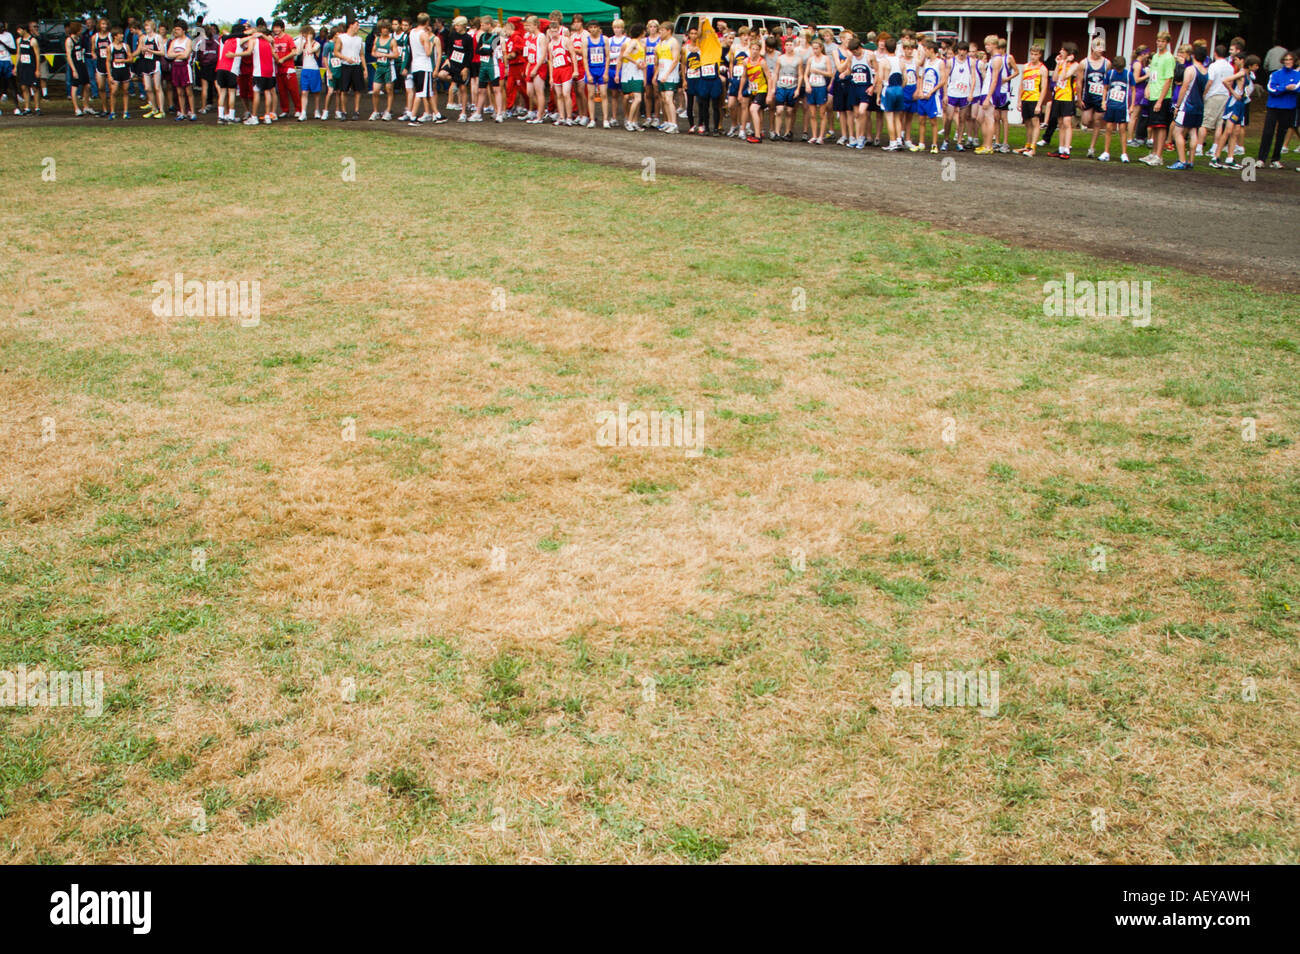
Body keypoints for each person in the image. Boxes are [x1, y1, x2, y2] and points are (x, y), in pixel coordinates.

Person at [1256, 48, 1299, 168]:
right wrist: (1285, 88)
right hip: (1273, 107)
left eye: (1290, 60)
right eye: (1286, 60)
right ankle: (1261, 159)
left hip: (1289, 108)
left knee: (1281, 133)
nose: (1288, 62)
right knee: (1268, 132)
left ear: (1294, 61)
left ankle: (1275, 159)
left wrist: (1281, 88)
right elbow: (1271, 89)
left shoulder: (1298, 75)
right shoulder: (1275, 74)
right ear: (1283, 61)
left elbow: (1297, 88)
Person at [1170, 43, 1207, 169]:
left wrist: (1178, 105)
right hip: (1199, 106)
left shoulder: (1190, 70)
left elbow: (1184, 88)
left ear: (1194, 56)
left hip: (1187, 106)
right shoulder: (1206, 72)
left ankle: (1181, 160)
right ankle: (1191, 160)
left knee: (1177, 132)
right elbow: (1205, 90)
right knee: (1193, 132)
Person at [1141, 31, 1176, 166]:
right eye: (1158, 41)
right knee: (1154, 125)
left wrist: (1161, 99)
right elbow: (1152, 75)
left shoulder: (1168, 58)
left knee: (1161, 126)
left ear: (1167, 43)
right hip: (1153, 94)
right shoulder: (1155, 57)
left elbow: (1168, 79)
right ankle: (1154, 153)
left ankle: (1159, 155)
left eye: (1162, 41)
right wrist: (1148, 87)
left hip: (1163, 96)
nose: (1159, 43)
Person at [1079, 40, 1109, 157]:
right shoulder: (1084, 63)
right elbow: (1079, 82)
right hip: (1088, 96)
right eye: (1099, 47)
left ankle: (1092, 148)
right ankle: (1085, 124)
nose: (1101, 50)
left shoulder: (1107, 63)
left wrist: (1105, 99)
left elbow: (1108, 82)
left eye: (1103, 47)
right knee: (1085, 121)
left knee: (1097, 122)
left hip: (1100, 97)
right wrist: (1079, 97)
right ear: (1093, 48)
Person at [1097, 54, 1129, 162]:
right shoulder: (1110, 74)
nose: (1119, 71)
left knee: (1122, 129)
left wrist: (1132, 105)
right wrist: (1103, 101)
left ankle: (1124, 153)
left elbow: (1132, 89)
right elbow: (1105, 88)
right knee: (1109, 127)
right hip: (1111, 104)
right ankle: (1106, 152)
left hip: (1122, 106)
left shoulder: (1128, 75)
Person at [1016, 45, 1047, 157]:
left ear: (1040, 55)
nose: (1033, 56)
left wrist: (1039, 104)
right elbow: (1021, 84)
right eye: (1032, 54)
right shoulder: (1025, 67)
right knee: (1027, 123)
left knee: (1035, 123)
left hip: (1035, 98)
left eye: (1036, 54)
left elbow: (1043, 88)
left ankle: (1033, 147)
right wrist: (1019, 100)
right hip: (1025, 98)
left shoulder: (1042, 69)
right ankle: (1027, 145)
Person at [334, 20, 366, 120]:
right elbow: (336, 52)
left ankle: (356, 111)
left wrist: (365, 69)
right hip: (345, 66)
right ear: (351, 26)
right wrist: (346, 58)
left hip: (357, 66)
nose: (358, 27)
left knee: (358, 89)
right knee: (344, 90)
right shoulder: (342, 38)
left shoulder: (359, 39)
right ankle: (344, 111)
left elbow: (361, 54)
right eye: (356, 25)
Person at [271, 20, 302, 120]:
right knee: (281, 91)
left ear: (282, 28)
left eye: (277, 27)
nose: (276, 29)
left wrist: (283, 59)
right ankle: (285, 110)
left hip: (288, 68)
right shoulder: (273, 40)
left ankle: (298, 109)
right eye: (274, 27)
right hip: (278, 69)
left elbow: (294, 52)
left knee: (293, 90)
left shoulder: (288, 38)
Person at [166, 20, 196, 121]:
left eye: (178, 29)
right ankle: (182, 112)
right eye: (175, 29)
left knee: (188, 91)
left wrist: (176, 54)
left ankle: (192, 112)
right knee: (179, 91)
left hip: (185, 67)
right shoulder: (174, 42)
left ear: (183, 30)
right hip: (176, 66)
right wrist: (178, 54)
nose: (176, 31)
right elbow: (169, 54)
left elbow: (186, 55)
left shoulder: (188, 41)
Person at [215, 22, 244, 124]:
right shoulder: (240, 40)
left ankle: (221, 116)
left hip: (220, 68)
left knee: (222, 93)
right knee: (232, 93)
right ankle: (231, 116)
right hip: (231, 69)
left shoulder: (224, 39)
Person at [584, 19, 609, 128]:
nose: (593, 29)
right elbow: (585, 58)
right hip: (591, 69)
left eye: (595, 27)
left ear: (599, 28)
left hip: (602, 68)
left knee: (603, 94)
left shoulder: (604, 39)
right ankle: (592, 119)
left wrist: (606, 72)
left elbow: (608, 56)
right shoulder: (586, 41)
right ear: (588, 29)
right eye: (591, 27)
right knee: (591, 95)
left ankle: (605, 119)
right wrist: (588, 74)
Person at [369, 20, 396, 120]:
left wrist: (386, 55)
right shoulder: (377, 40)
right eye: (383, 28)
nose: (385, 30)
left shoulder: (392, 41)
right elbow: (373, 52)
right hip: (379, 67)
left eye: (386, 28)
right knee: (375, 90)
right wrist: (377, 54)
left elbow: (396, 54)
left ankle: (388, 111)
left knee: (389, 89)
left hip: (388, 67)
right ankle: (375, 111)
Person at [65, 21, 92, 116]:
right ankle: (76, 108)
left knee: (87, 85)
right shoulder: (69, 40)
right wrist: (73, 70)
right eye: (80, 29)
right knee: (75, 86)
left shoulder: (79, 39)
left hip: (82, 63)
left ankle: (86, 106)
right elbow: (68, 56)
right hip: (75, 65)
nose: (81, 31)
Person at [13, 23, 39, 115]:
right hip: (22, 67)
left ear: (24, 30)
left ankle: (37, 107)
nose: (18, 32)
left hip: (31, 67)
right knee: (24, 87)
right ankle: (27, 107)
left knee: (34, 87)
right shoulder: (19, 40)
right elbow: (18, 53)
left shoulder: (33, 41)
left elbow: (37, 55)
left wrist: (37, 69)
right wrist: (16, 67)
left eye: (19, 30)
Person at [106, 27, 132, 119]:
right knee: (114, 91)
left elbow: (130, 59)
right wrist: (109, 75)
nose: (122, 36)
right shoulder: (110, 47)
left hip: (125, 71)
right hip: (115, 71)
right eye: (120, 34)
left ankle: (126, 111)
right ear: (115, 36)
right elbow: (108, 61)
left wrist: (123, 60)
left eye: (122, 34)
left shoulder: (126, 46)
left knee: (126, 91)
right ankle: (112, 112)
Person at [297, 25, 321, 120]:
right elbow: (298, 52)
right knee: (304, 92)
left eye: (306, 33)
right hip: (305, 69)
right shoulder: (303, 44)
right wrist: (301, 40)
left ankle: (317, 110)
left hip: (314, 70)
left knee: (316, 92)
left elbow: (311, 50)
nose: (304, 35)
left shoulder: (316, 44)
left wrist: (310, 40)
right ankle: (303, 112)